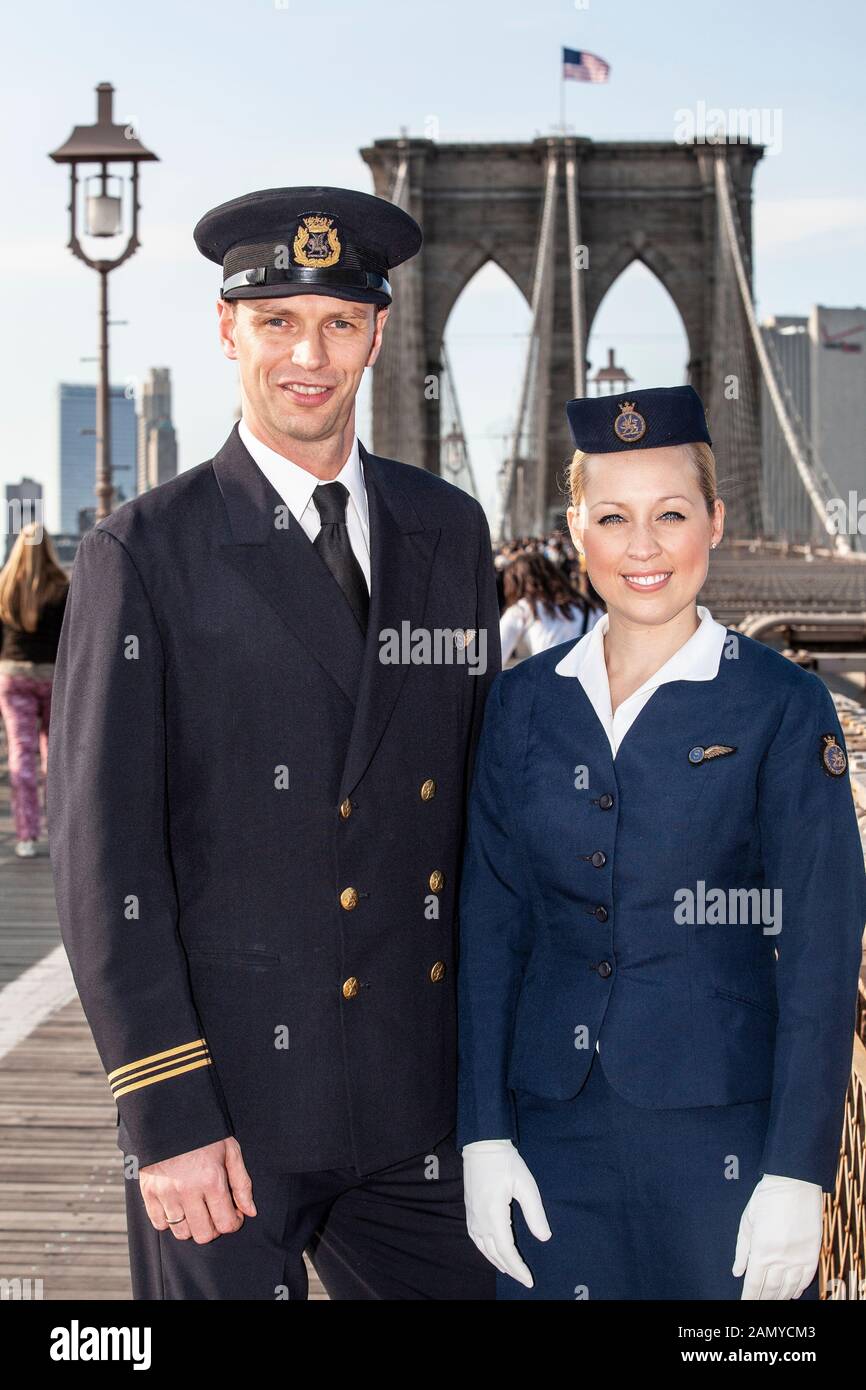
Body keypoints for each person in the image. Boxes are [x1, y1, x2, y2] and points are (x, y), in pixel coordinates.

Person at [47, 186, 500, 1300]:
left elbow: (483, 818)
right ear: (225, 330)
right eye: (278, 320)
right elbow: (104, 862)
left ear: (379, 334)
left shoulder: (448, 530)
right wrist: (163, 1108)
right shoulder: (143, 549)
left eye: (340, 321)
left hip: (414, 1103)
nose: (310, 352)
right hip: (225, 1109)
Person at [456, 385, 866, 1300]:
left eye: (671, 514)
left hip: (726, 1148)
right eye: (613, 517)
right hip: (548, 1144)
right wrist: (482, 1132)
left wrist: (799, 1172)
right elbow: (491, 929)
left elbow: (819, 949)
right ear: (578, 531)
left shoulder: (782, 706)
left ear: (715, 522)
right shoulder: (521, 707)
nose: (642, 548)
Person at [0, 524, 68, 857]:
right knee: (54, 756)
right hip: (54, 676)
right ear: (50, 549)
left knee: (20, 753)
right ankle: (60, 832)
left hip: (14, 675)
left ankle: (26, 836)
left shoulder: (5, 585)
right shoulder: (63, 588)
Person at [498, 550, 602, 665]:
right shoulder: (587, 607)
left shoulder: (523, 610)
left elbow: (493, 657)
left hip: (545, 680)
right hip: (584, 680)